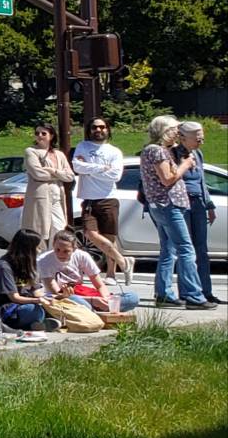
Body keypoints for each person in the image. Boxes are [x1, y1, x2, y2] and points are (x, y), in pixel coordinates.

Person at [139, 115, 207, 309]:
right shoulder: (157, 151)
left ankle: (164, 294)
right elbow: (167, 178)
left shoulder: (158, 150)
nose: (177, 134)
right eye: (174, 130)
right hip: (167, 205)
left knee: (169, 250)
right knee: (186, 249)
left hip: (163, 205)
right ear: (164, 131)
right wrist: (185, 165)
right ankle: (194, 296)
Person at [70, 118, 129, 281]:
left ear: (107, 130)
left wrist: (89, 169)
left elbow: (115, 175)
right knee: (89, 233)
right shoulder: (83, 146)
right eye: (95, 127)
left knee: (109, 237)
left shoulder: (114, 151)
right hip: (89, 199)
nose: (98, 130)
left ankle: (111, 274)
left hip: (108, 198)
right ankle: (122, 260)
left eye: (102, 127)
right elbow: (77, 167)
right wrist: (102, 168)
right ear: (90, 130)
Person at [38, 229, 138, 312]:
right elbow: (56, 293)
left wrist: (106, 300)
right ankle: (94, 310)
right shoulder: (44, 260)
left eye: (66, 251)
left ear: (74, 248)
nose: (61, 254)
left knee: (132, 298)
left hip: (83, 294)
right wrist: (92, 300)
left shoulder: (82, 256)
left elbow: (99, 285)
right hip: (64, 299)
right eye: (57, 250)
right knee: (78, 302)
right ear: (53, 245)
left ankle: (99, 310)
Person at [174, 121, 218, 304]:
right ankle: (187, 292)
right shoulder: (174, 153)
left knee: (202, 249)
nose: (201, 139)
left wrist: (209, 204)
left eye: (202, 135)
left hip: (199, 202)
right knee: (186, 250)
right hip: (183, 203)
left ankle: (205, 291)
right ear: (184, 137)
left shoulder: (198, 153)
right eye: (197, 136)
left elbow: (202, 181)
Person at [21, 123, 75, 240]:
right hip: (40, 196)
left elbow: (70, 176)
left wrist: (52, 170)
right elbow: (38, 174)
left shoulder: (59, 154)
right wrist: (60, 175)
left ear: (51, 136)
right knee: (39, 231)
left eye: (43, 133)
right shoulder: (31, 152)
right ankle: (40, 257)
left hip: (57, 197)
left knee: (59, 228)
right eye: (37, 133)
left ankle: (54, 254)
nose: (39, 135)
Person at [0, 229, 49, 334]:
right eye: (38, 248)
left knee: (73, 300)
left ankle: (37, 323)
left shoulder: (31, 264)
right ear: (28, 249)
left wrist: (56, 297)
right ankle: (37, 322)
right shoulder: (4, 266)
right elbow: (14, 297)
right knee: (32, 310)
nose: (39, 251)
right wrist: (38, 301)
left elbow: (36, 292)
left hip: (29, 303)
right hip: (9, 308)